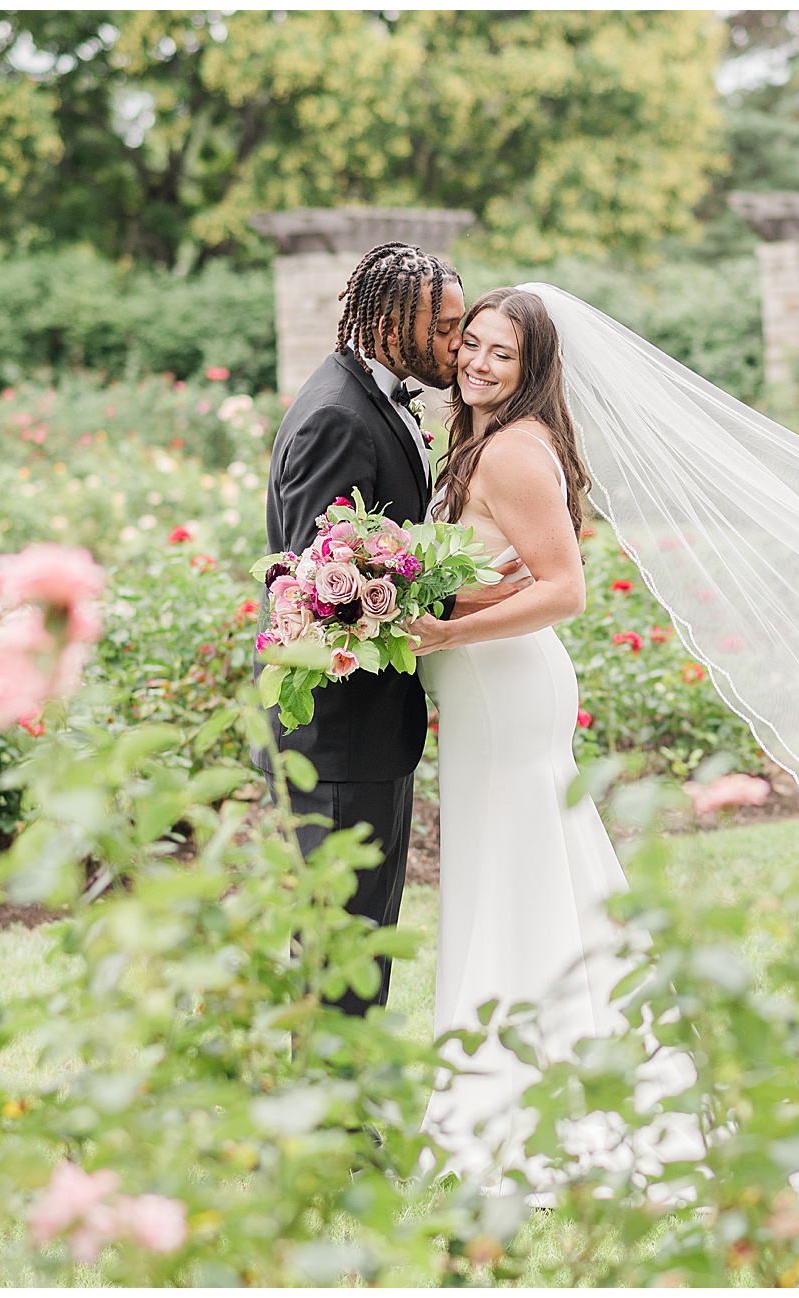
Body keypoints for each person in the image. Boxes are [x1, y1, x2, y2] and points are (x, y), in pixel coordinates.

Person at [257, 242, 523, 1016]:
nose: (457, 344)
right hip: (337, 732)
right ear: (388, 322)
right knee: (342, 943)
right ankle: (331, 1129)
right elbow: (315, 589)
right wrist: (460, 603)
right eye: (445, 328)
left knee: (362, 938)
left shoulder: (377, 397)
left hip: (371, 726)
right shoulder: (338, 416)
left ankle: (348, 1117)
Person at [402, 289, 631, 1177]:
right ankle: (534, 1072)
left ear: (533, 368)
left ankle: (509, 1098)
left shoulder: (509, 451)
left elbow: (565, 589)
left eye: (502, 353)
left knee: (515, 866)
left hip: (503, 690)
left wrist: (453, 631)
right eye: (471, 345)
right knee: (520, 864)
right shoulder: (493, 442)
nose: (476, 362)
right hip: (486, 692)